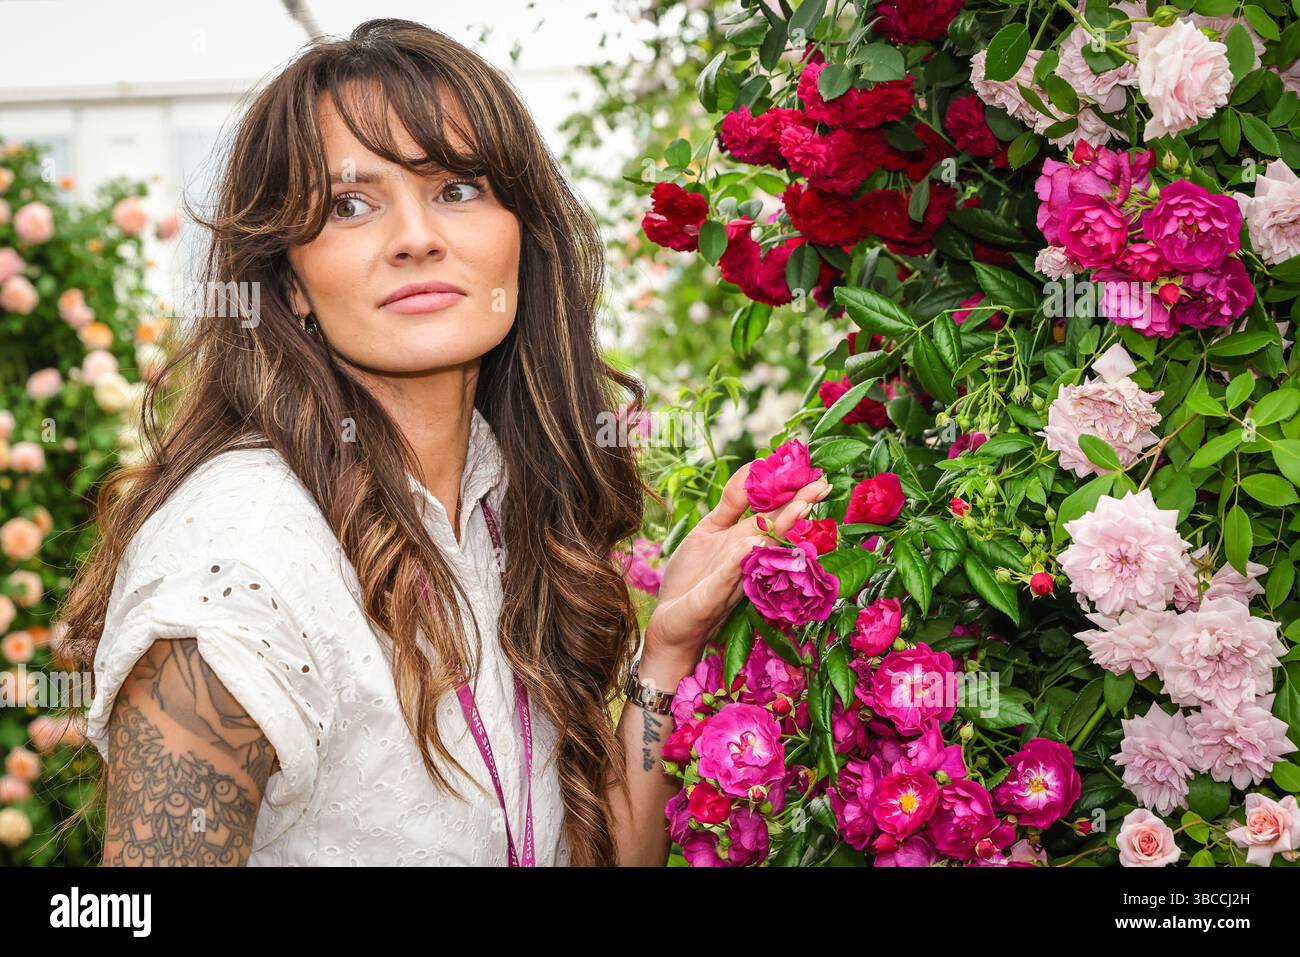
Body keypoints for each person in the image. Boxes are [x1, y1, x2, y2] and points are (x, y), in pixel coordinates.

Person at [57, 18, 830, 866]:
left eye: (457, 188)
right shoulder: (241, 555)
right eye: (350, 206)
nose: (416, 236)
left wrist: (667, 650)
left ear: (521, 239)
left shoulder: (501, 495)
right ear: (291, 283)